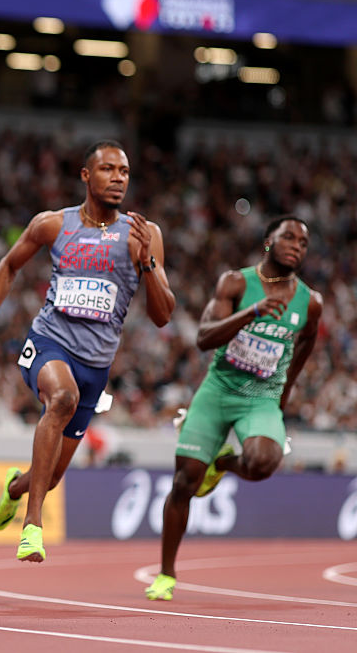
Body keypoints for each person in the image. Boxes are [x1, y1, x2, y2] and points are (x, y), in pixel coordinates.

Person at [0, 140, 175, 563]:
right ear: (86, 175)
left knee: (52, 476)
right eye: (108, 169)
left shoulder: (144, 234)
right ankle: (32, 525)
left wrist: (147, 264)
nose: (118, 178)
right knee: (62, 398)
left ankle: (15, 489)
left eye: (124, 171)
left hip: (96, 367)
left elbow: (162, 315)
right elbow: (8, 266)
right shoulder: (53, 224)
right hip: (49, 343)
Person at [145, 216, 321, 601]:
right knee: (184, 482)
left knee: (263, 463)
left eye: (303, 243)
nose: (297, 246)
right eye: (289, 237)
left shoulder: (310, 303)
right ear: (268, 241)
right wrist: (252, 312)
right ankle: (166, 574)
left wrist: (285, 391)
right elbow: (204, 338)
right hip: (218, 390)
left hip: (262, 397)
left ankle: (222, 462)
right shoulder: (236, 283)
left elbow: (306, 343)